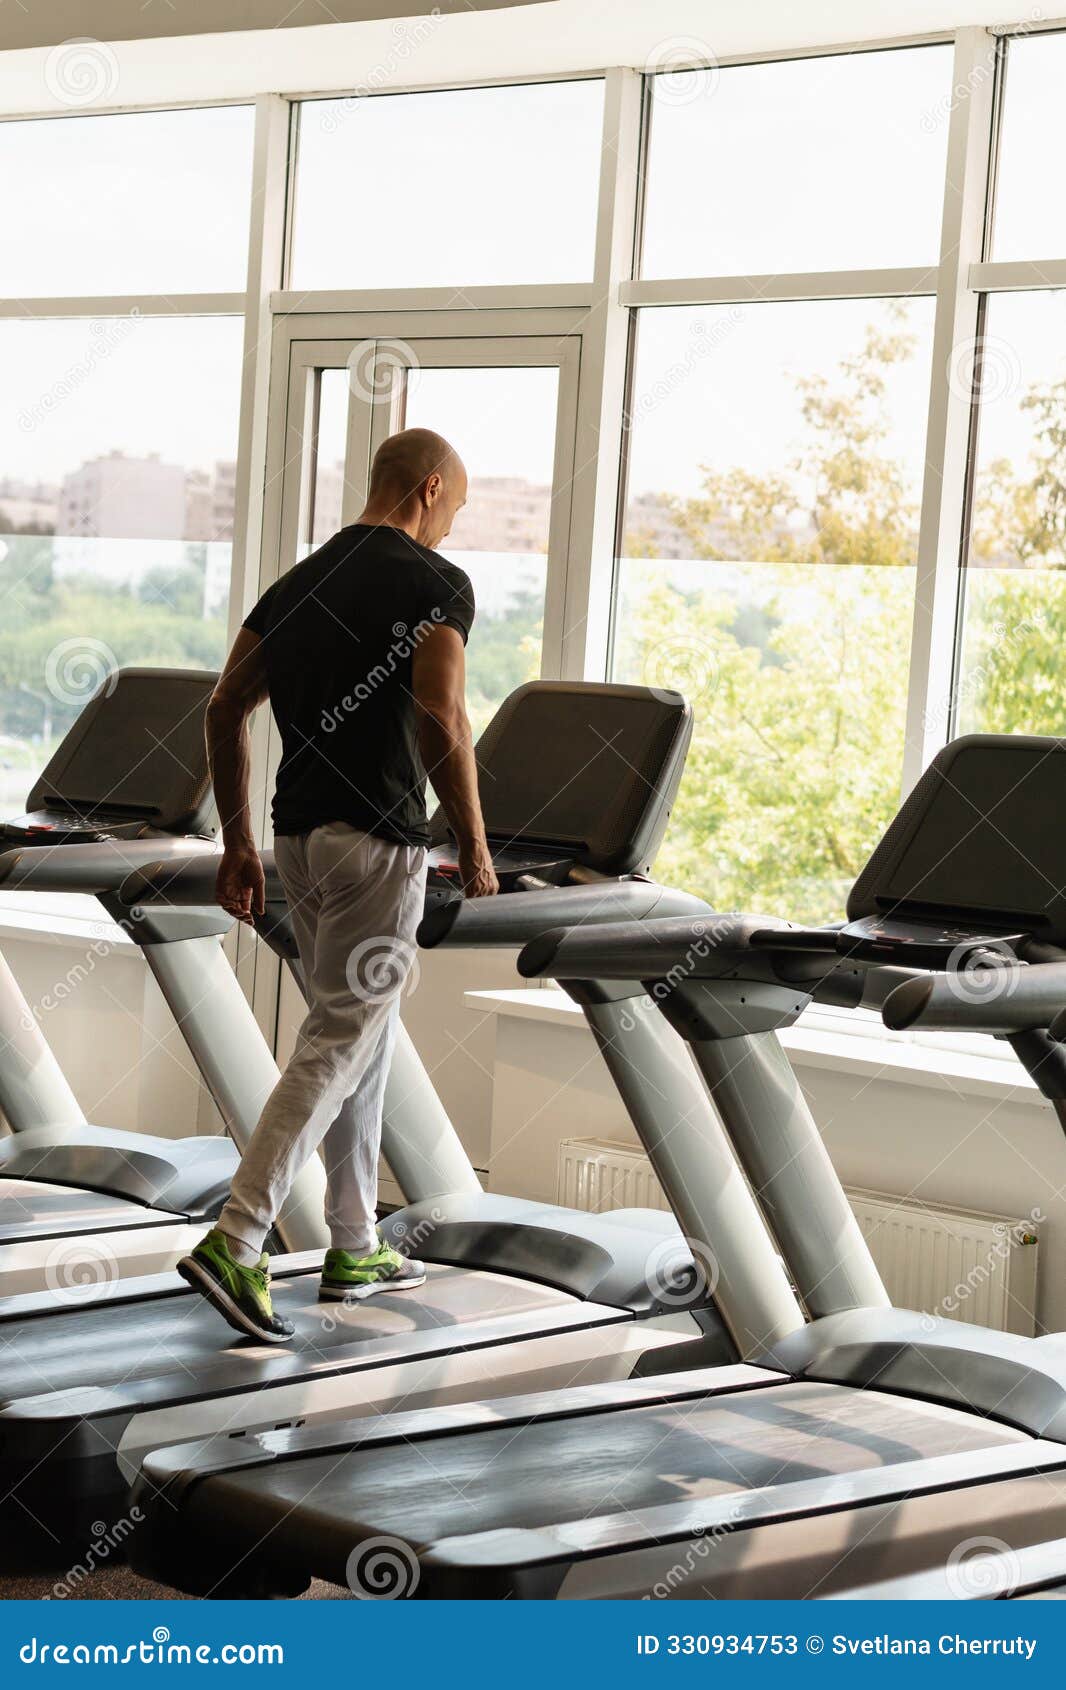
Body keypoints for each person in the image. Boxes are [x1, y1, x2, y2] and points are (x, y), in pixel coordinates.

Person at [179, 427, 499, 1343]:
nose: (452, 531)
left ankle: (354, 1238)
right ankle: (239, 1238)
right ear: (430, 489)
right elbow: (443, 713)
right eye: (457, 511)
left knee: (363, 1032)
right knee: (339, 1037)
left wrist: (238, 846)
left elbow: (222, 708)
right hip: (381, 844)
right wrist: (475, 848)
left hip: (299, 842)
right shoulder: (435, 585)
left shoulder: (294, 584)